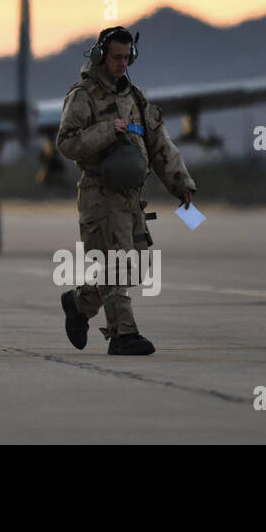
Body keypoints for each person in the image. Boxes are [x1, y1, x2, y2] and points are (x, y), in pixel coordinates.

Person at [55, 26, 196, 355]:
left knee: (132, 265)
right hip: (99, 194)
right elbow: (66, 142)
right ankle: (123, 334)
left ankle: (79, 304)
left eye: (127, 57)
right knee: (116, 264)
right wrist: (106, 130)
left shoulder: (136, 99)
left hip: (131, 198)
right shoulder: (83, 96)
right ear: (101, 56)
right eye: (116, 57)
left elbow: (160, 144)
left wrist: (181, 184)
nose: (122, 63)